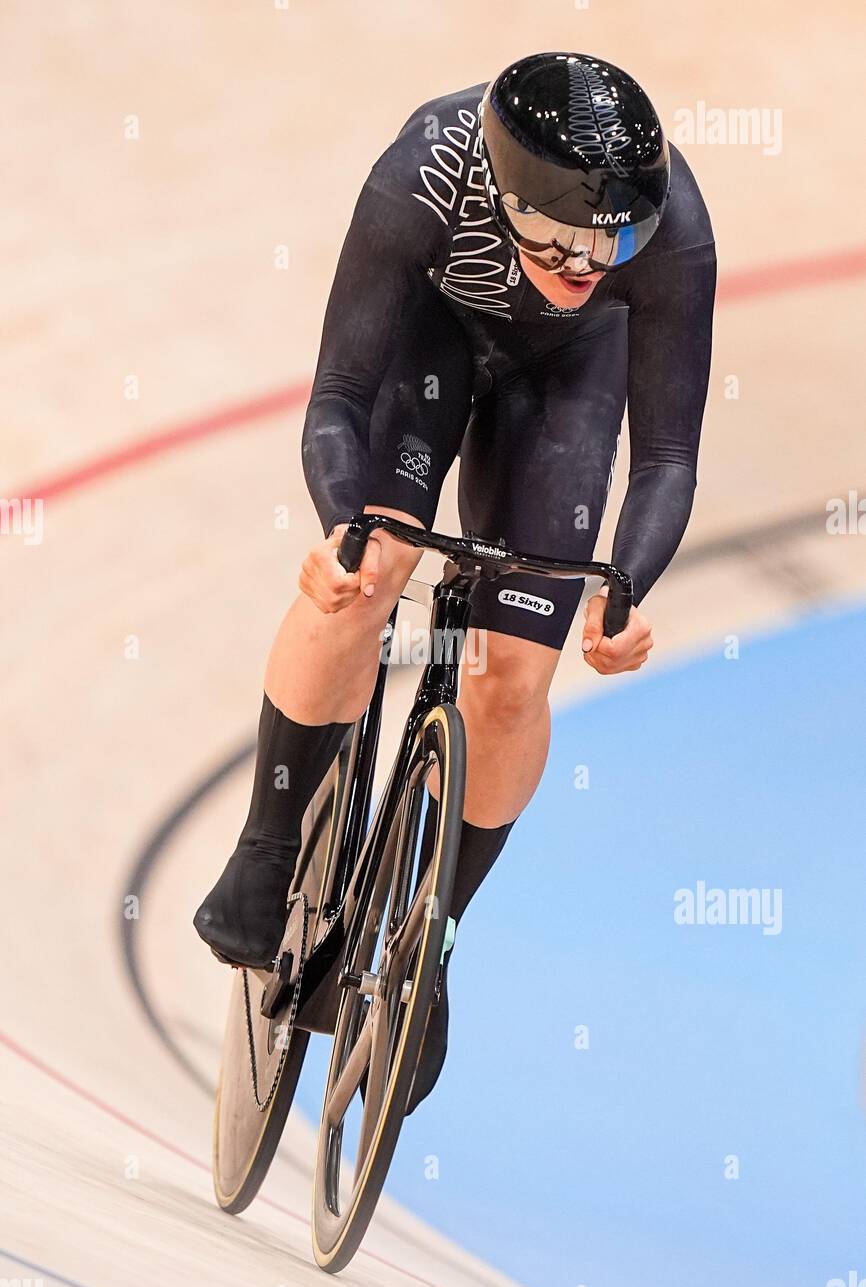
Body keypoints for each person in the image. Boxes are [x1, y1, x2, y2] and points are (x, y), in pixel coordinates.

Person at [195, 52, 716, 1111]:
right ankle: (267, 843)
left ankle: (426, 943)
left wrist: (626, 588)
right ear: (508, 194)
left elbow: (665, 458)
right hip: (428, 341)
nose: (590, 263)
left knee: (512, 677)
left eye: (612, 242)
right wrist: (342, 527)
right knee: (373, 568)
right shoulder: (421, 177)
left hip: (569, 380)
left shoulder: (668, 237)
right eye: (566, 241)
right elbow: (339, 394)